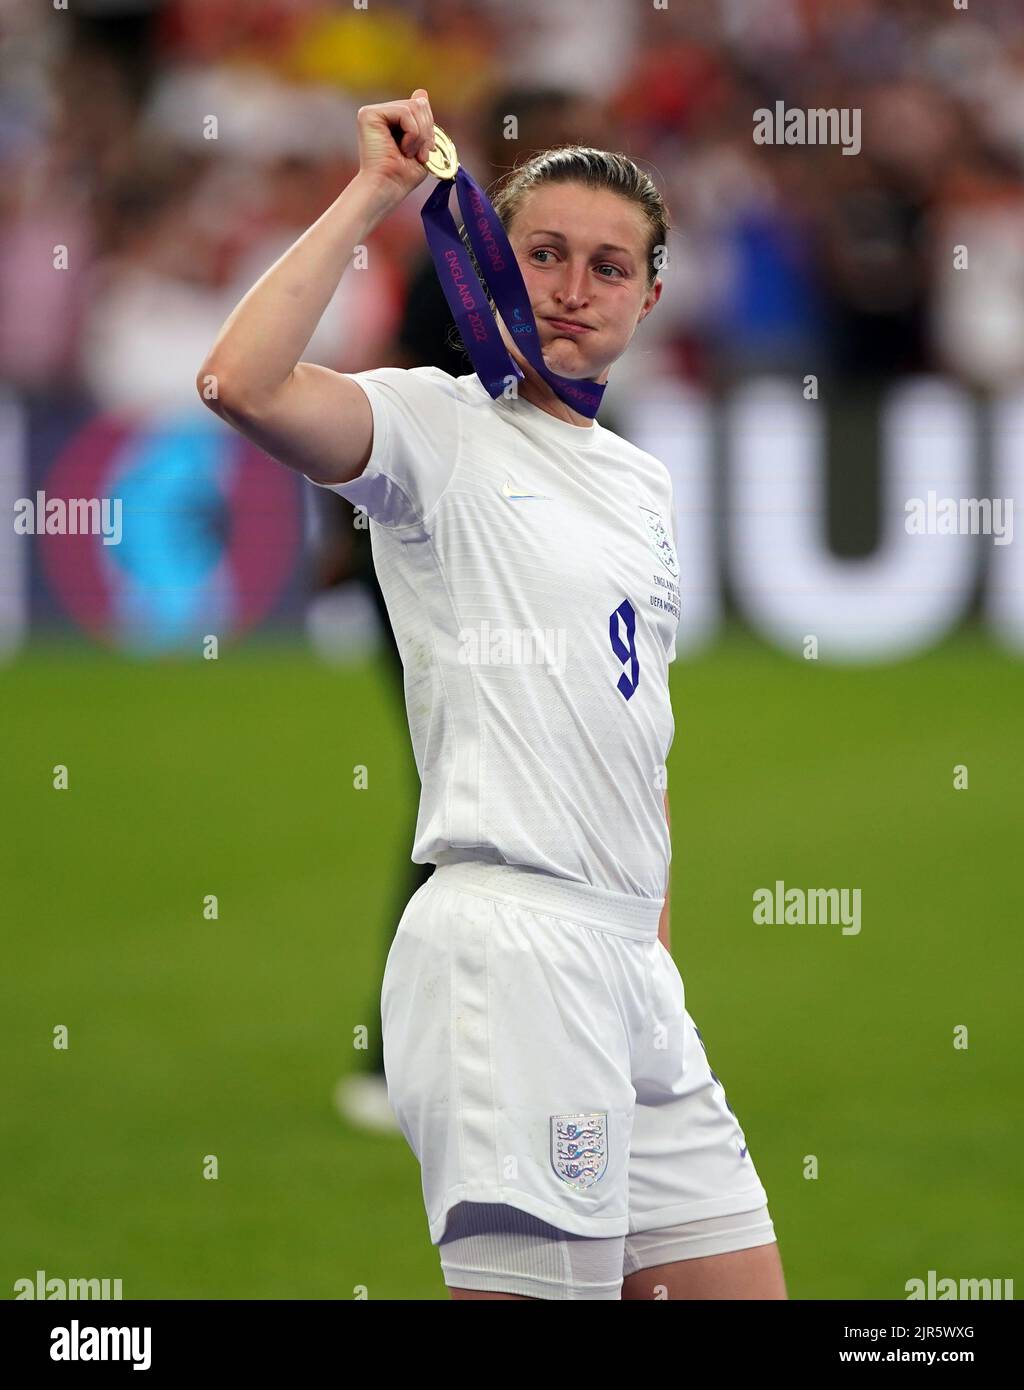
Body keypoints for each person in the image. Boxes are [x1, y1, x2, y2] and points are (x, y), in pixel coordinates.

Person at [197, 88, 787, 1302]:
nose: (575, 286)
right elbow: (240, 384)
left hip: (629, 967)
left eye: (609, 265)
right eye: (546, 253)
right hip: (509, 953)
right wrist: (373, 195)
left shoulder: (640, 484)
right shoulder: (436, 425)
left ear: (650, 296)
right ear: (491, 263)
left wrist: (654, 956)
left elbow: (639, 746)